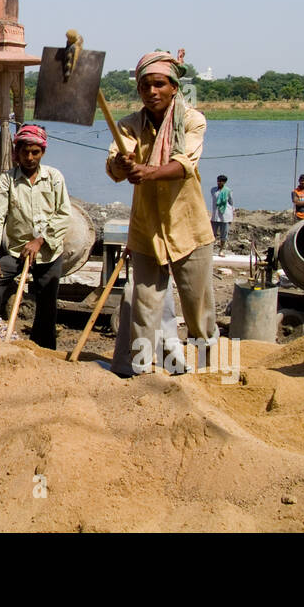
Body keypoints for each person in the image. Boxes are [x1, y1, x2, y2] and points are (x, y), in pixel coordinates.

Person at [107, 50, 217, 375]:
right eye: (145, 87)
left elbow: (185, 163)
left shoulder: (192, 120)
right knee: (144, 311)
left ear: (173, 87)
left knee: (200, 313)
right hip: (146, 233)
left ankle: (212, 376)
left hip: (190, 231)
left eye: (159, 85)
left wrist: (147, 172)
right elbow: (115, 165)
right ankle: (139, 374)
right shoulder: (129, 126)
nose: (152, 92)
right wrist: (122, 163)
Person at [0, 124, 71, 349]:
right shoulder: (7, 179)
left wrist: (40, 240)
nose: (29, 157)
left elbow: (64, 214)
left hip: (48, 253)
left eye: (35, 152)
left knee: (47, 304)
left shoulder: (54, 178)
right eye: (24, 152)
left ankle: (42, 349)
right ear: (16, 153)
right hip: (17, 252)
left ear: (42, 152)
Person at [210, 174, 234, 254]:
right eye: (218, 181)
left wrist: (231, 216)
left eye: (221, 181)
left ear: (224, 182)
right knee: (212, 233)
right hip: (215, 215)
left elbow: (231, 203)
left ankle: (222, 250)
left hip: (224, 215)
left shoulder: (228, 191)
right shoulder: (213, 190)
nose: (219, 183)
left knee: (224, 233)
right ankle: (211, 250)